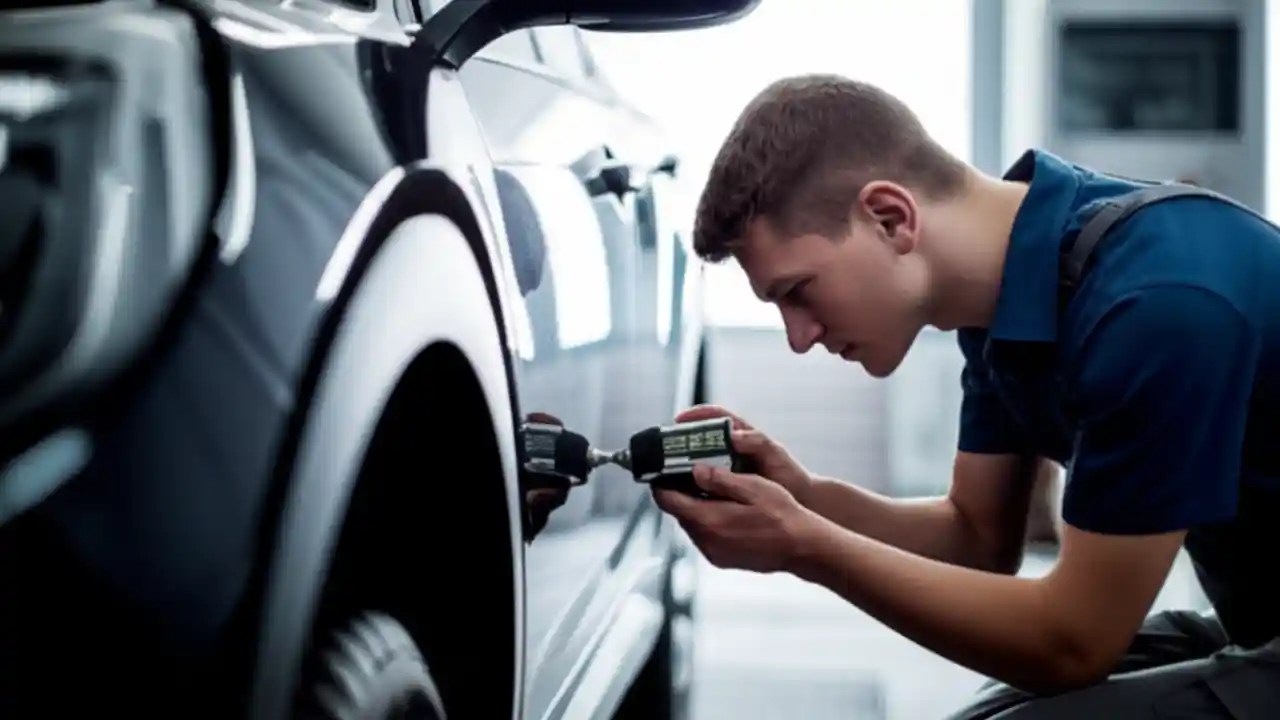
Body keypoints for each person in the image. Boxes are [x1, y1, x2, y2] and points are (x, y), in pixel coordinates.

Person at [654, 73, 1280, 718]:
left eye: (799, 290)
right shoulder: (1007, 297)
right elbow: (977, 540)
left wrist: (807, 547)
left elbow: (1074, 642)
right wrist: (806, 500)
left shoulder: (1155, 303)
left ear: (890, 217)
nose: (798, 336)